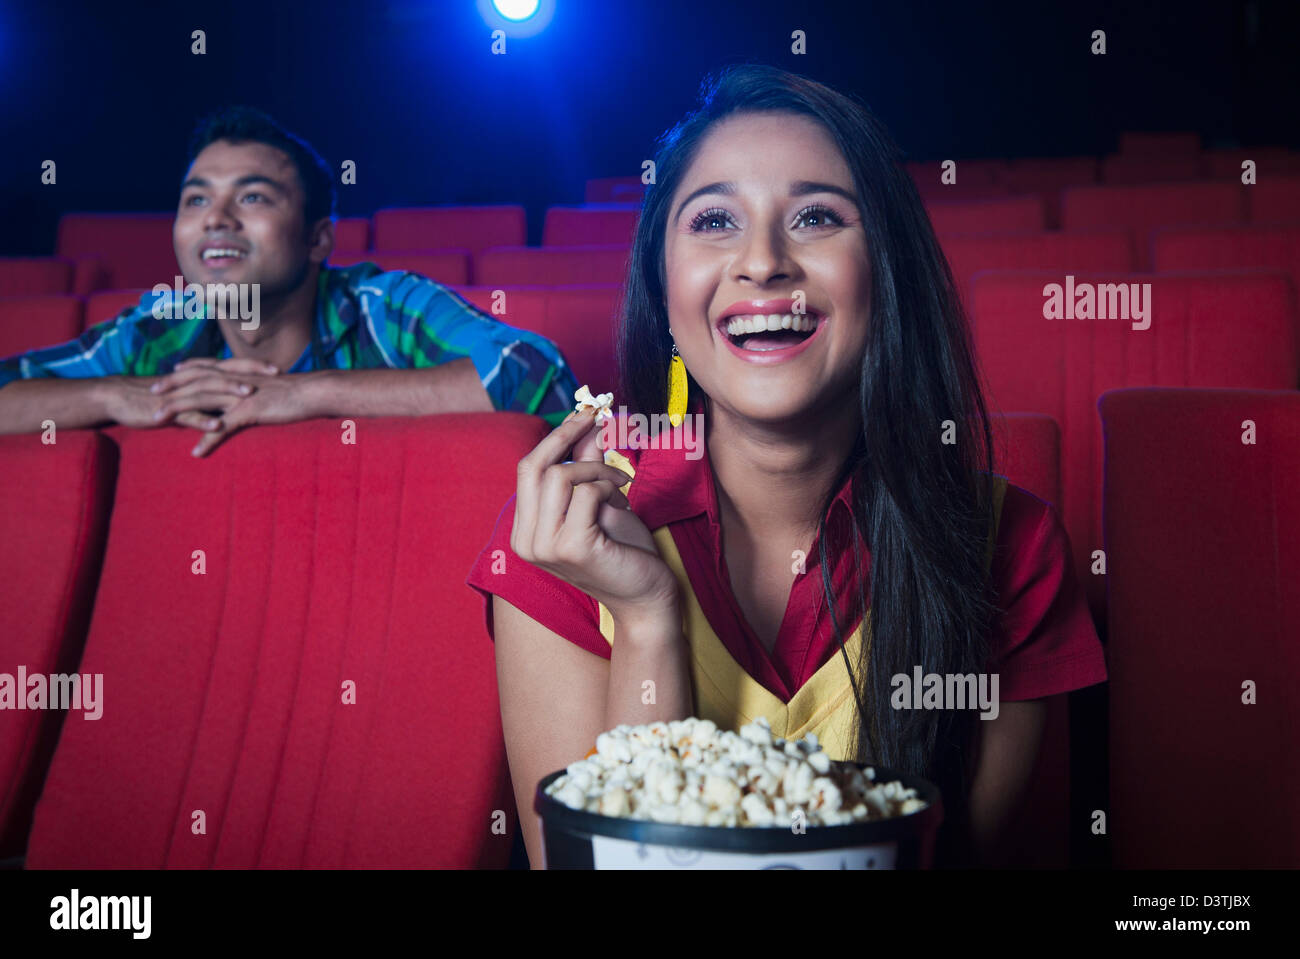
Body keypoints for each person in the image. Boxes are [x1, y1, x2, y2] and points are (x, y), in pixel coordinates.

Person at [467, 65, 1106, 869]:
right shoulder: (567, 528)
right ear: (664, 293)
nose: (763, 262)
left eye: (814, 217)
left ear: (887, 274)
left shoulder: (1009, 544)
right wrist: (647, 619)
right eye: (713, 222)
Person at [0, 107, 578, 454]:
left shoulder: (385, 306)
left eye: (251, 196)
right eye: (196, 199)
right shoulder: (156, 333)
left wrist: (305, 394)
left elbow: (536, 375)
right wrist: (112, 394)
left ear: (317, 239)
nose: (215, 219)